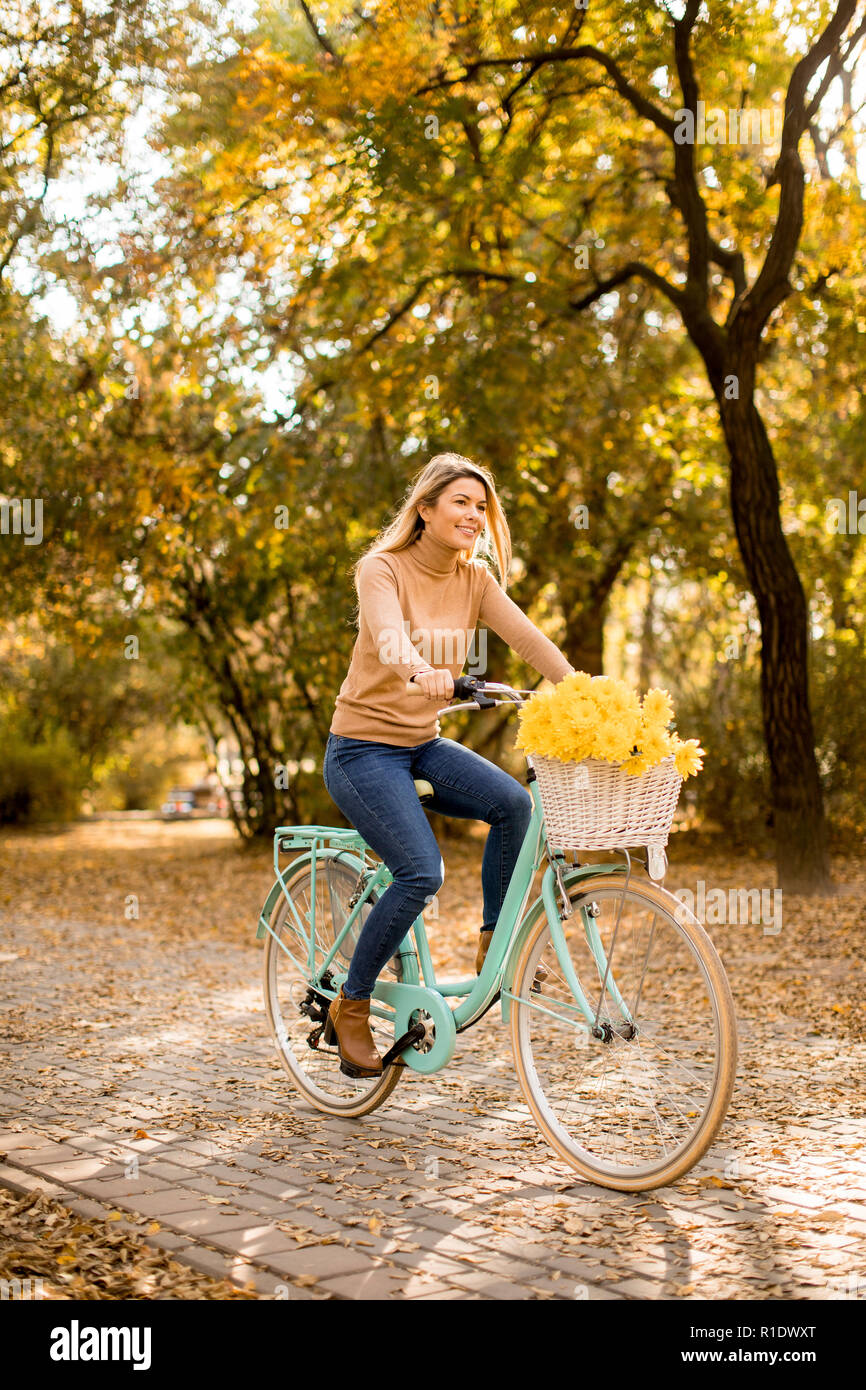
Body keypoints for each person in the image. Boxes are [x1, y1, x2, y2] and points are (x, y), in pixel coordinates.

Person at [322, 452, 574, 1077]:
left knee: (513, 806)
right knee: (420, 871)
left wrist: (587, 691)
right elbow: (386, 635)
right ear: (426, 508)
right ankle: (351, 1005)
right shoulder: (382, 569)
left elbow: (529, 641)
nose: (473, 515)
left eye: (482, 507)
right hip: (361, 749)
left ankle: (494, 940)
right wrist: (417, 671)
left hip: (420, 743)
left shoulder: (475, 580)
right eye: (460, 502)